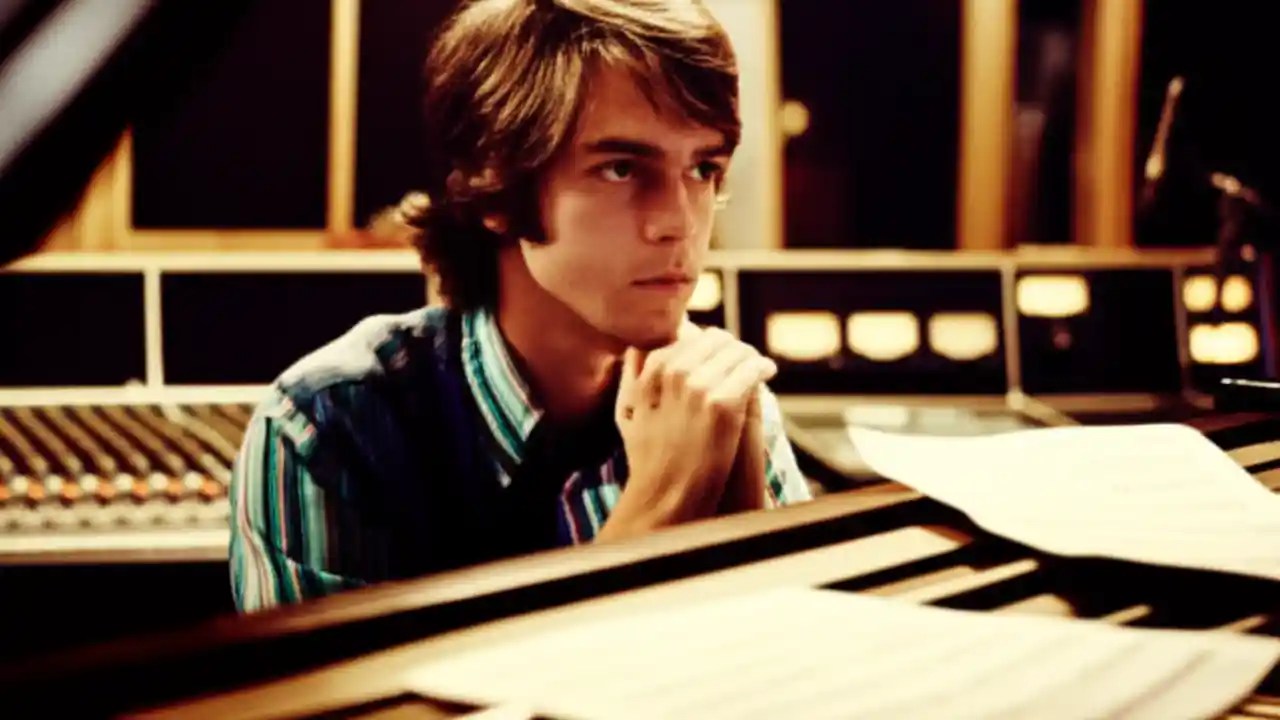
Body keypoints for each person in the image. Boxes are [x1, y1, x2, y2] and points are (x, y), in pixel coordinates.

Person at [229, 0, 812, 613]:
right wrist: (659, 508)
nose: (679, 222)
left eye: (703, 168)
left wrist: (748, 526)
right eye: (620, 168)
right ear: (495, 189)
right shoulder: (326, 428)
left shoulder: (715, 396)